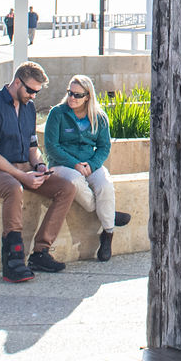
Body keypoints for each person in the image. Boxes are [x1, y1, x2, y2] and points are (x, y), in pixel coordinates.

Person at [0, 61, 75, 282]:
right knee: (14, 187)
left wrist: (39, 166)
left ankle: (40, 252)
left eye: (37, 92)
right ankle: (14, 259)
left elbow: (32, 148)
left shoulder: (29, 108)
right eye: (30, 90)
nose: (33, 96)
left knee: (66, 188)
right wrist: (21, 176)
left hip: (23, 168)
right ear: (17, 82)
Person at [44, 74, 133, 262]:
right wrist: (74, 164)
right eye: (70, 93)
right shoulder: (57, 114)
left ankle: (108, 234)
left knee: (105, 185)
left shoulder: (99, 117)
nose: (72, 98)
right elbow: (52, 146)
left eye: (77, 95)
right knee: (75, 181)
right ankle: (107, 212)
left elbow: (104, 147)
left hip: (89, 163)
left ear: (87, 96)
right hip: (63, 164)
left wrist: (91, 164)